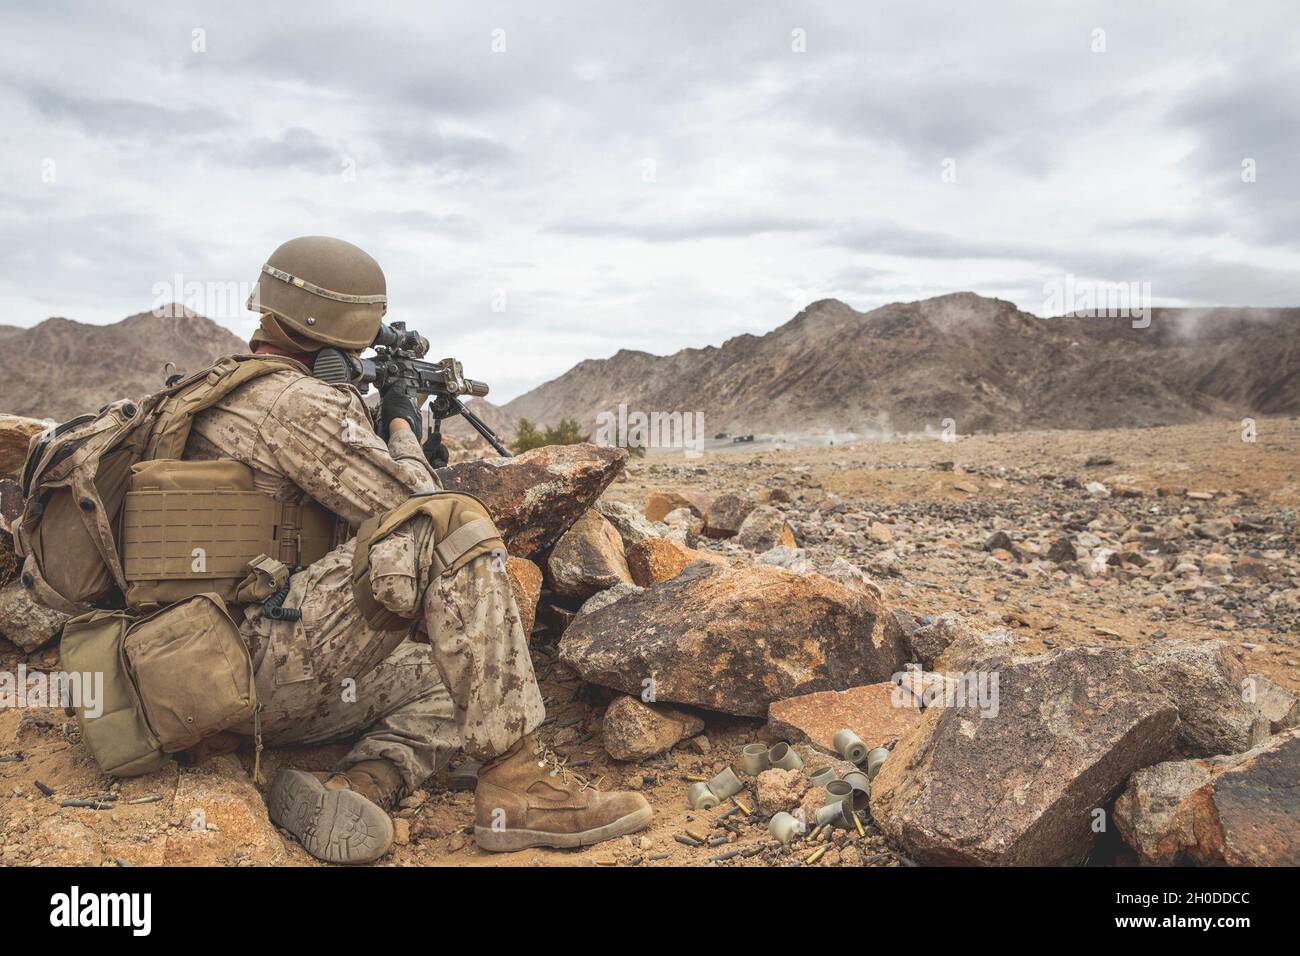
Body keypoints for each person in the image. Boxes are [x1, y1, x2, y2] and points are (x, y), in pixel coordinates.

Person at [186, 236, 650, 863]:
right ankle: (517, 788)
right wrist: (401, 421)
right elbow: (418, 508)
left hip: (194, 678)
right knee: (456, 524)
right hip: (257, 672)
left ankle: (361, 784)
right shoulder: (296, 403)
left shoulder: (218, 391)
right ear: (343, 327)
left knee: (451, 681)